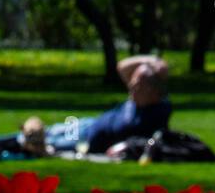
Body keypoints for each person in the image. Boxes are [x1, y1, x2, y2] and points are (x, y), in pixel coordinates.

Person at [42, 54, 172, 155]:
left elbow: (154, 141)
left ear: (152, 91)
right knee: (45, 131)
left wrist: (126, 147)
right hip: (87, 124)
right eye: (132, 80)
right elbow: (122, 66)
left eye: (137, 84)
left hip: (84, 141)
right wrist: (152, 60)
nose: (131, 85)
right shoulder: (138, 96)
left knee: (40, 142)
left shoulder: (158, 112)